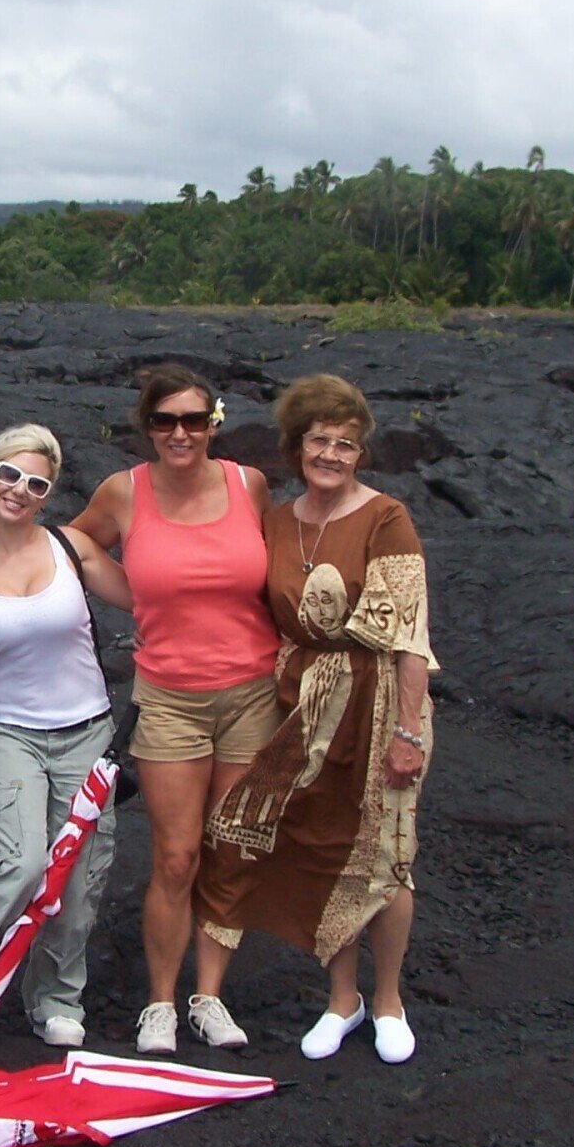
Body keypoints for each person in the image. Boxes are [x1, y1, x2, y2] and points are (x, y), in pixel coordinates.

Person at [194, 374, 437, 1065]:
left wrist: (409, 732)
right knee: (325, 847)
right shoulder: (275, 522)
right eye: (319, 441)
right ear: (295, 447)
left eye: (346, 443)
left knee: (387, 856)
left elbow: (409, 635)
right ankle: (342, 1000)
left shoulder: (385, 517)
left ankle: (387, 1000)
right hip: (303, 708)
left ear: (360, 454)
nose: (331, 453)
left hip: (380, 698)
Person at [70, 365, 281, 1055]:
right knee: (176, 855)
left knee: (228, 853)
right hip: (168, 701)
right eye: (166, 421)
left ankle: (209, 996)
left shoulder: (248, 484)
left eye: (194, 419)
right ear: (148, 427)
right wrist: (137, 598)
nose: (181, 433)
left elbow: (274, 569)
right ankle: (160, 1003)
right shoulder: (123, 492)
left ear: (214, 423)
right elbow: (74, 542)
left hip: (251, 695)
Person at [0, 426, 133, 1062]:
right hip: (9, 732)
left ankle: (58, 997)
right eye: (9, 475)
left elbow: (148, 599)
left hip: (87, 730)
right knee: (22, 866)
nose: (20, 490)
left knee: (83, 872)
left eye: (36, 483)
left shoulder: (72, 547)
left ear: (47, 495)